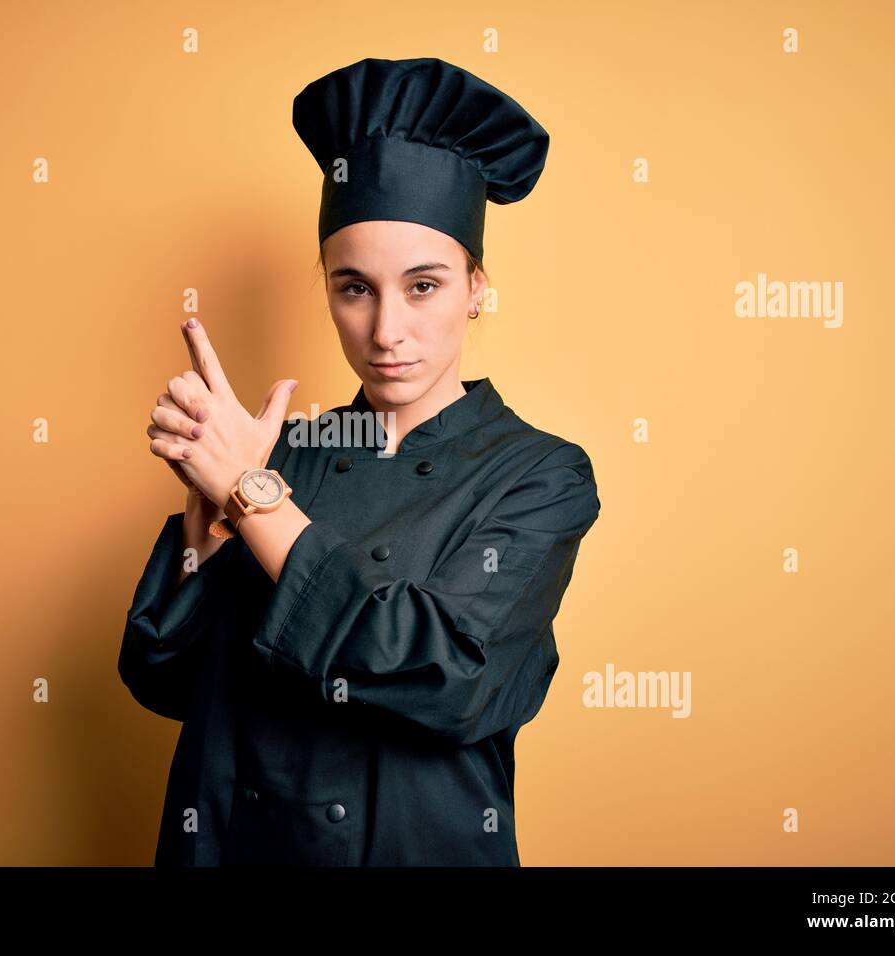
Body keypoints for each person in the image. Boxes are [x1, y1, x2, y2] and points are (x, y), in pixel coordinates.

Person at [120, 56, 601, 866]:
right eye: (354, 288)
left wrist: (248, 493)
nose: (386, 330)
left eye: (423, 286)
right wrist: (207, 520)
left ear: (477, 287)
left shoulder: (540, 475)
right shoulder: (280, 453)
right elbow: (164, 684)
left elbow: (451, 680)